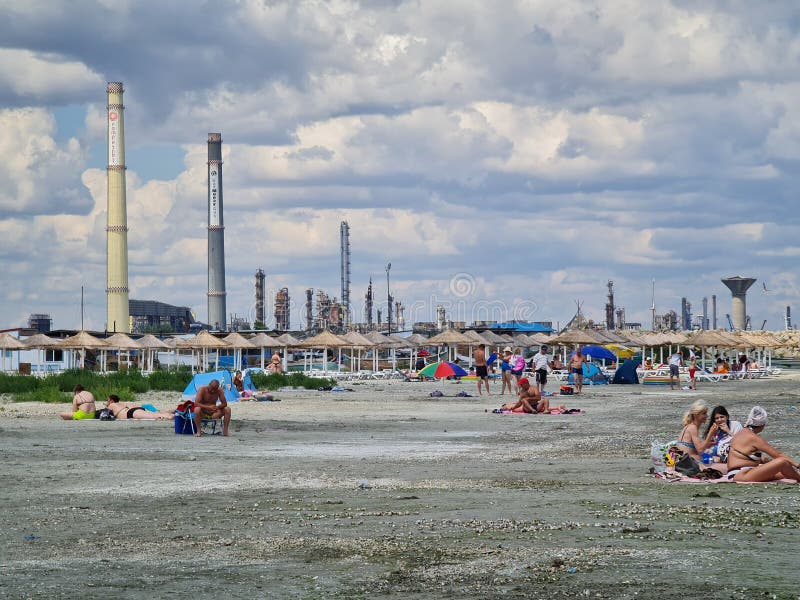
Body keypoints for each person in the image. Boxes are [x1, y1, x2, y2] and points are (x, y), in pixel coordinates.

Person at [726, 406, 800, 482]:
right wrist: (797, 465)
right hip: (741, 474)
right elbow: (778, 454)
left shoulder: (742, 433)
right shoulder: (753, 437)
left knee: (785, 473)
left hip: (739, 473)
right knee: (783, 462)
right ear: (762, 425)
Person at [501, 377, 566, 414]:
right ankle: (532, 410)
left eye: (521, 384)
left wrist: (529, 399)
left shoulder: (534, 388)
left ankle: (546, 410)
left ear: (526, 383)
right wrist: (514, 408)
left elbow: (539, 398)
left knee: (546, 400)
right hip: (527, 408)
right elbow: (520, 402)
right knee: (523, 400)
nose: (520, 386)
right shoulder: (522, 391)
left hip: (536, 406)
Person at [105, 395, 173, 420]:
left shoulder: (111, 405)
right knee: (155, 414)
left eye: (107, 401)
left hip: (130, 413)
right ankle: (172, 414)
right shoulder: (122, 404)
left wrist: (106, 406)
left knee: (156, 416)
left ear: (111, 401)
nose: (107, 402)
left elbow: (105, 414)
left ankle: (172, 416)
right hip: (135, 410)